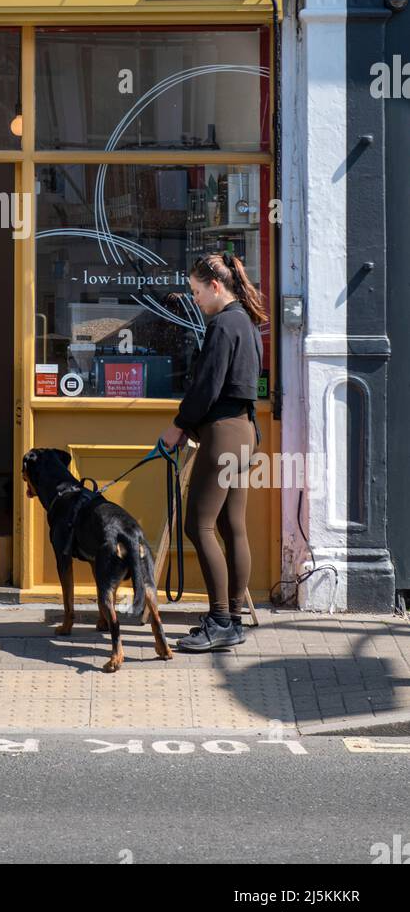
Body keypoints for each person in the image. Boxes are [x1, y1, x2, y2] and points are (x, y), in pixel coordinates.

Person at [158, 251, 265, 653]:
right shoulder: (248, 323)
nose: (196, 300)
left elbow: (207, 387)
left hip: (222, 434)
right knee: (231, 526)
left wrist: (178, 428)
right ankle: (233, 619)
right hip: (245, 432)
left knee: (198, 526)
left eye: (197, 291)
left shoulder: (222, 325)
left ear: (216, 286)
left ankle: (220, 620)